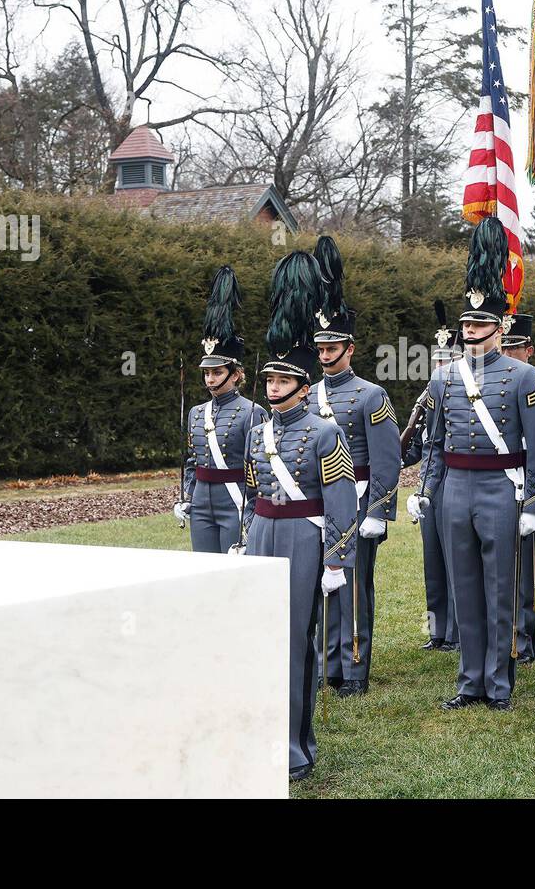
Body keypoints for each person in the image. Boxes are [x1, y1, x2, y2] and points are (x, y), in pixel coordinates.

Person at [407, 217, 535, 712]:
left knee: (498, 590)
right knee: (463, 586)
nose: (470, 333)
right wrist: (428, 490)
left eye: (479, 325)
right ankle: (468, 679)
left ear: (500, 327)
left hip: (499, 487)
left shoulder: (523, 375)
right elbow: (435, 443)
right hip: (455, 488)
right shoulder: (443, 379)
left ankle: (498, 682)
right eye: (466, 326)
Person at [240, 251, 358, 783]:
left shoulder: (325, 432)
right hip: (264, 531)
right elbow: (250, 486)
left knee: (294, 640)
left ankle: (294, 744)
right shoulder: (256, 428)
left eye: (281, 382)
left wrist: (337, 558)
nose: (271, 388)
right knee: (258, 638)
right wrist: (246, 536)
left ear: (303, 386)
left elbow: (341, 501)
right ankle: (260, 732)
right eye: (267, 381)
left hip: (304, 539)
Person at [309, 237, 401, 698]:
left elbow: (388, 460)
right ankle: (328, 666)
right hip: (321, 504)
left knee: (355, 586)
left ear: (350, 348)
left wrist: (378, 512)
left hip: (360, 501)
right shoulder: (305, 396)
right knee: (324, 583)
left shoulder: (371, 395)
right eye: (321, 347)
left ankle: (355, 666)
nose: (325, 355)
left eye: (334, 347)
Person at [175, 266, 266, 553]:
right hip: (201, 501)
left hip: (235, 499)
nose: (210, 379)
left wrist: (254, 513)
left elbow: (261, 468)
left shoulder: (254, 412)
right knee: (204, 571)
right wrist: (187, 495)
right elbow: (193, 461)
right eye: (206, 373)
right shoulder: (196, 413)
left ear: (236, 374)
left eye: (217, 373)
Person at [402, 300, 461, 652]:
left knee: (457, 561)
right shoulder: (428, 398)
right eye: (437, 360)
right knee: (433, 560)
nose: (440, 365)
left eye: (447, 359)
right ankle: (437, 630)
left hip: (456, 482)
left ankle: (455, 631)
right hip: (430, 486)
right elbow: (416, 450)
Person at [500, 312, 535, 663]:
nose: (507, 353)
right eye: (503, 345)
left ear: (530, 350)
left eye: (515, 347)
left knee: (526, 569)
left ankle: (524, 637)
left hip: (527, 484)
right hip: (495, 482)